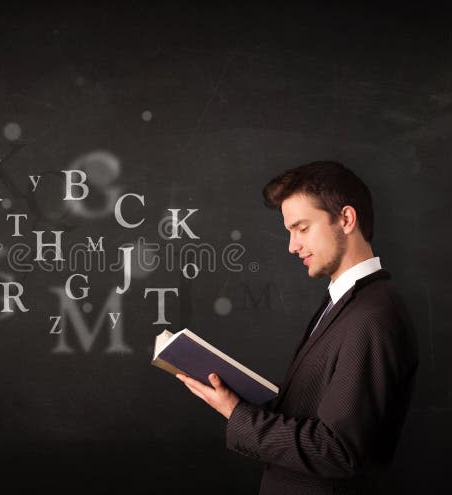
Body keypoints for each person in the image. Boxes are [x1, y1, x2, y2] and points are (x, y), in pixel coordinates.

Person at [176, 161, 419, 494]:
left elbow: (338, 451)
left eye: (302, 228)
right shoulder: (344, 302)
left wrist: (237, 414)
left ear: (346, 219)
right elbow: (317, 405)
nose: (292, 246)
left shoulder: (373, 315)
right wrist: (240, 396)